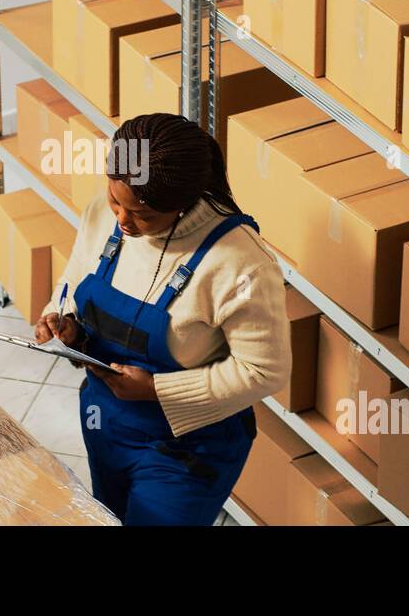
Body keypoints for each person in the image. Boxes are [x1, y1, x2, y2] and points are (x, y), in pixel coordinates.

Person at [36, 113, 291, 526]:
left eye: (143, 214)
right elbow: (73, 276)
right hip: (106, 421)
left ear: (183, 202)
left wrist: (158, 389)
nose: (121, 219)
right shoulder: (105, 214)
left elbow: (265, 372)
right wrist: (64, 320)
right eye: (116, 199)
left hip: (187, 451)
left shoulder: (241, 265)